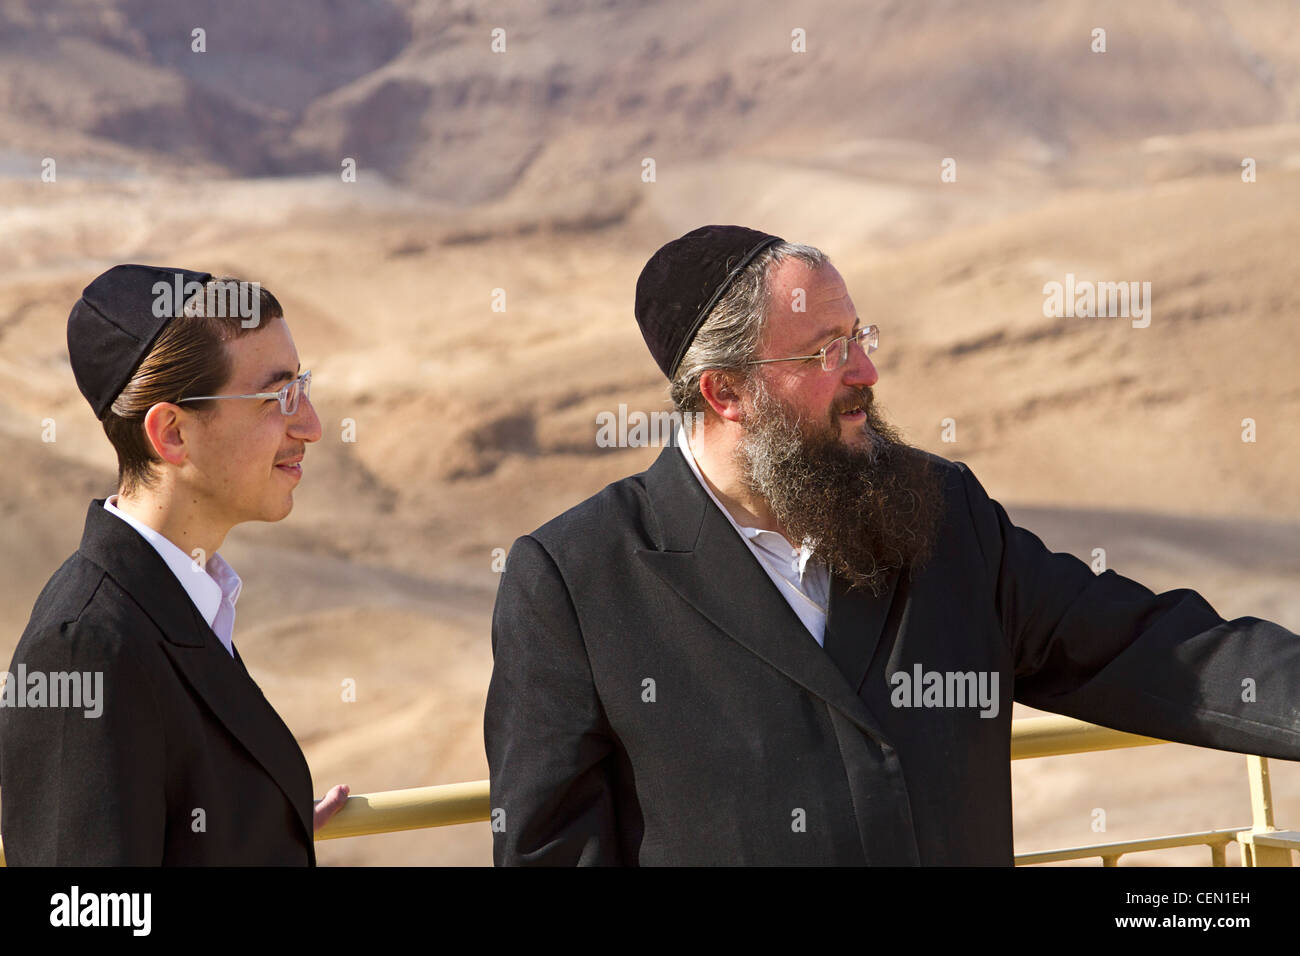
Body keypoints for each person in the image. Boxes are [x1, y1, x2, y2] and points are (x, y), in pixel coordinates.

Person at [484, 224, 1300, 865]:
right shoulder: (577, 582)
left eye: (859, 334)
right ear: (724, 392)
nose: (866, 370)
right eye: (825, 351)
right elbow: (551, 852)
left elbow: (1150, 648)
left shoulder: (941, 512)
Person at [0, 264, 348, 865]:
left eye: (305, 386)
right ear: (173, 434)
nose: (311, 426)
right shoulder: (86, 646)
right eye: (279, 395)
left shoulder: (181, 599)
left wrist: (264, 831)